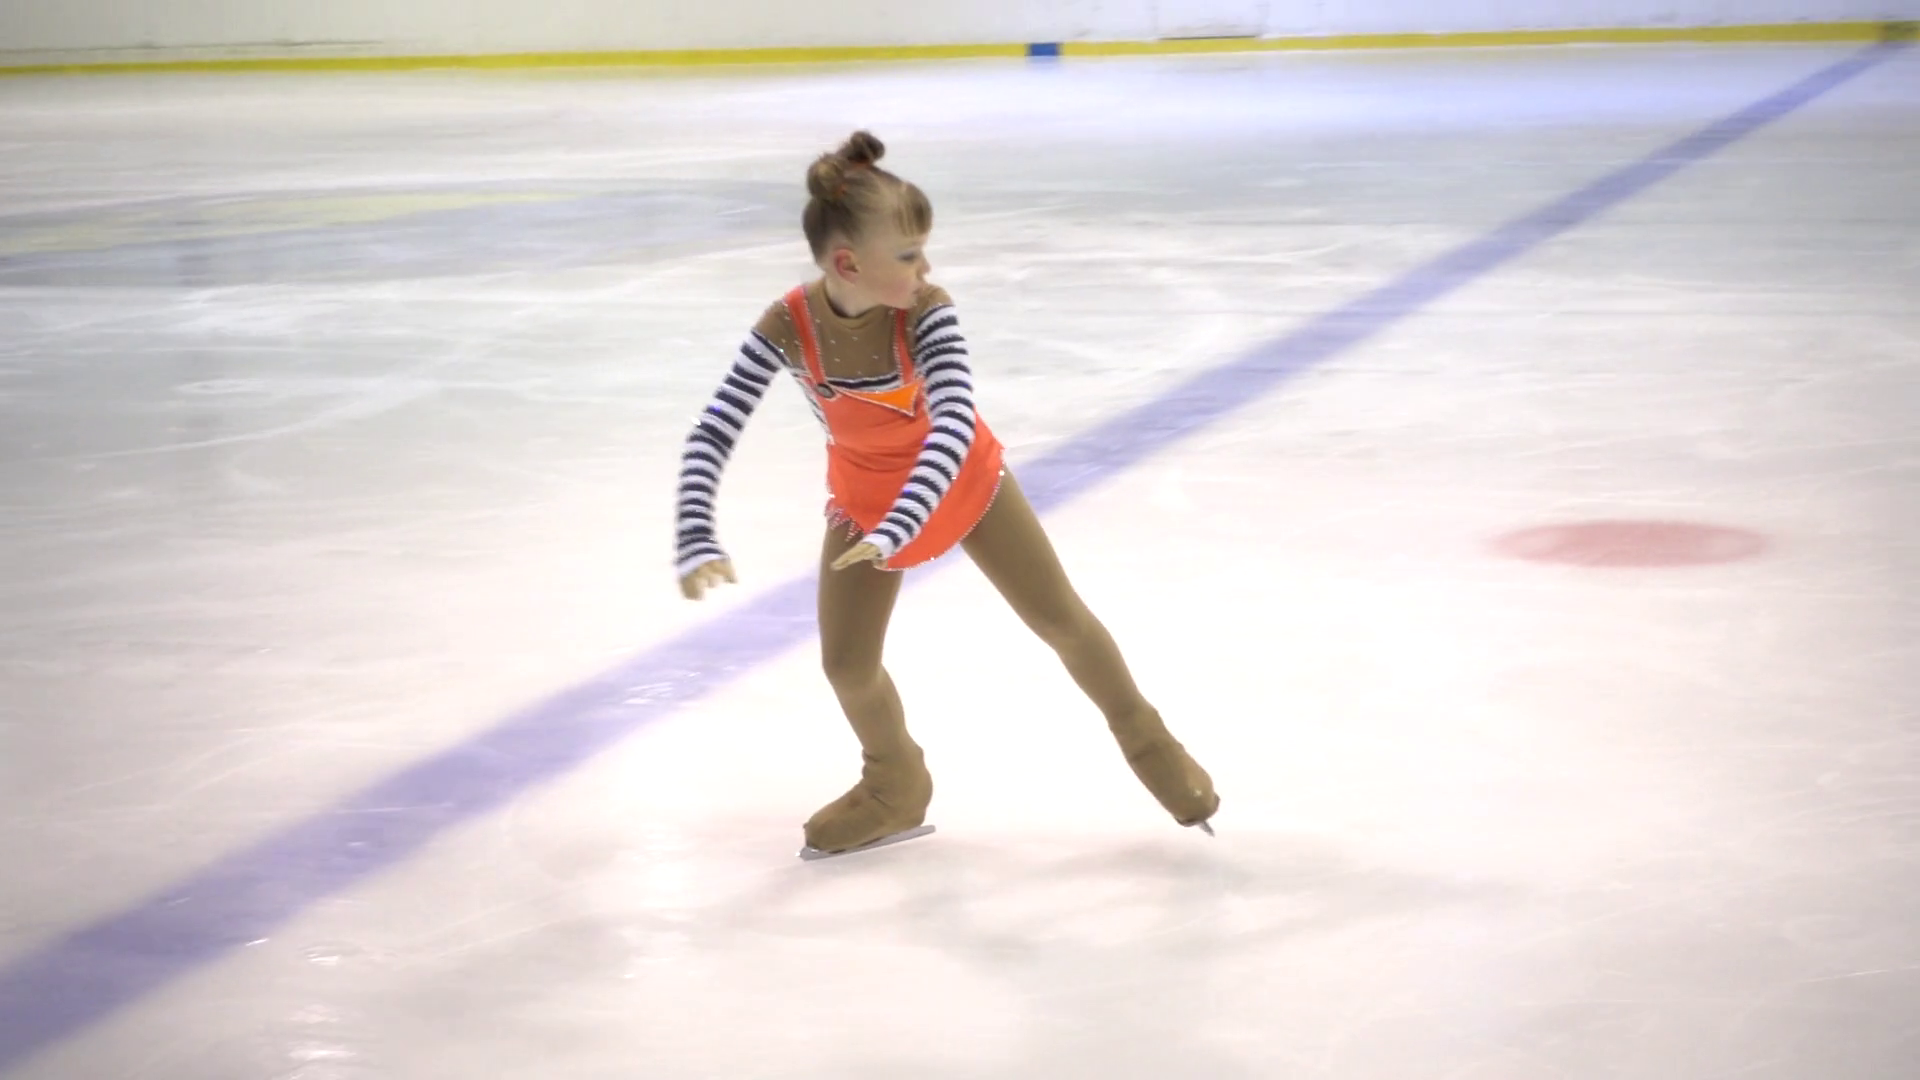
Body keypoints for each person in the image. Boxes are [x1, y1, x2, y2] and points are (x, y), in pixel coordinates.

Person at [674, 131, 1218, 856]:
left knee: (1060, 622)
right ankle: (895, 783)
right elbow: (714, 428)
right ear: (848, 263)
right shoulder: (787, 326)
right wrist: (696, 529)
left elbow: (954, 421)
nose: (926, 267)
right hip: (865, 505)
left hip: (962, 482)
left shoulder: (927, 310)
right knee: (847, 666)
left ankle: (1152, 748)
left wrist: (904, 522)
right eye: (908, 255)